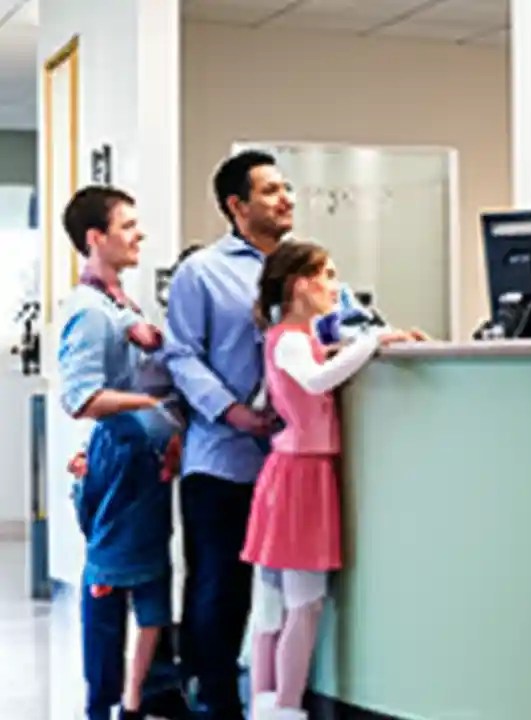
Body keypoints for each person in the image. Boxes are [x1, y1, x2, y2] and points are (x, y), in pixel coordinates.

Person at [239, 242, 411, 718]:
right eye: (328, 275)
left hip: (291, 474)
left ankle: (267, 702)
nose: (336, 287)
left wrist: (357, 345)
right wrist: (370, 342)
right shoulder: (291, 338)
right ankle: (286, 704)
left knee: (276, 604)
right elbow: (317, 381)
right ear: (301, 284)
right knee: (304, 604)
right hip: (300, 478)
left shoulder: (290, 337)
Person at [165, 150, 292, 718]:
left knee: (285, 590)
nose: (285, 199)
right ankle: (209, 697)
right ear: (236, 206)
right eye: (270, 191)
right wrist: (234, 413)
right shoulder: (203, 272)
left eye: (286, 188)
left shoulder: (300, 269)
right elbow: (181, 356)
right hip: (222, 459)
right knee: (220, 585)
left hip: (286, 461)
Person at [57, 186, 187, 720]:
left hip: (143, 463)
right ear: (96, 238)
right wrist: (152, 407)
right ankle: (103, 704)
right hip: (123, 464)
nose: (140, 235)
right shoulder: (89, 311)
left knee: (152, 577)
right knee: (111, 581)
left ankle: (138, 700)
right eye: (128, 226)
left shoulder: (118, 302)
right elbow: (81, 397)